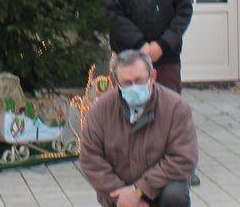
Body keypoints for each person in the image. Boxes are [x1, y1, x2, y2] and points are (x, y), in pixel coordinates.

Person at [80, 49, 198, 207]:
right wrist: (122, 195)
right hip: (118, 192)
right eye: (127, 83)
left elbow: (183, 158)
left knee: (175, 196)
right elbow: (91, 160)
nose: (134, 87)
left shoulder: (176, 107)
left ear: (153, 77)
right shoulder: (100, 110)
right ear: (114, 83)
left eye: (140, 80)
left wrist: (138, 191)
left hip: (162, 188)